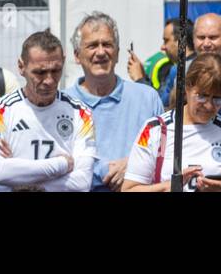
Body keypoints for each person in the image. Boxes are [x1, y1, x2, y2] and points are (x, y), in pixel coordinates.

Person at [0, 31, 97, 192]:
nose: (49, 80)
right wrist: (61, 165)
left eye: (56, 70)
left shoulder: (81, 112)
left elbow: (82, 182)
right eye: (39, 72)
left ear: (63, 62)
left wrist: (19, 178)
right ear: (21, 67)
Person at [64, 12, 163, 191]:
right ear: (77, 56)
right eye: (92, 45)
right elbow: (59, 162)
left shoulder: (148, 98)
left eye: (107, 44)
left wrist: (133, 169)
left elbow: (165, 152)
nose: (101, 52)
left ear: (117, 53)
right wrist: (105, 171)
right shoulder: (63, 104)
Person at [124, 53, 221, 192]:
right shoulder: (155, 130)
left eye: (218, 99)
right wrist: (169, 187)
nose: (208, 105)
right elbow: (129, 189)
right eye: (202, 96)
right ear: (187, 87)